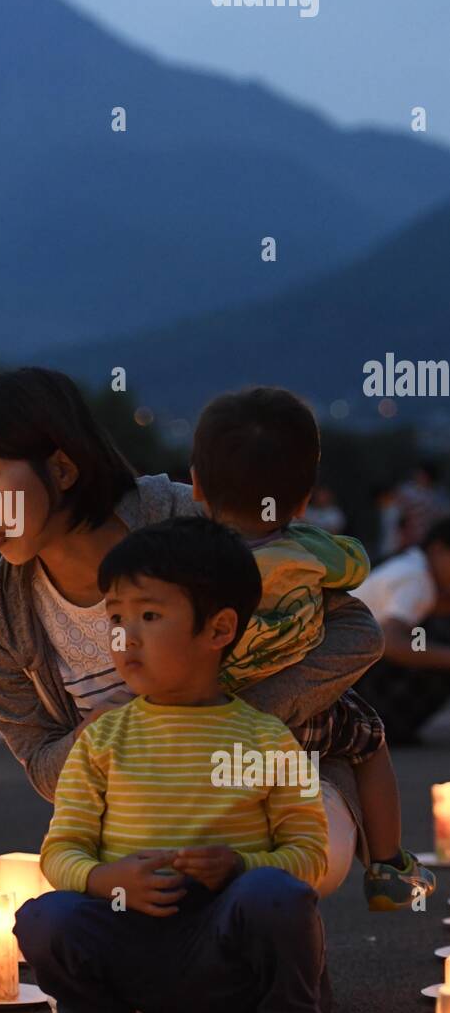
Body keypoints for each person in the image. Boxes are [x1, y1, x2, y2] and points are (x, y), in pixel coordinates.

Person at [0, 368, 384, 895]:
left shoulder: (190, 517)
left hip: (265, 792)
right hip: (140, 814)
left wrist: (242, 722)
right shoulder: (0, 614)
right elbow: (39, 761)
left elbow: (357, 631)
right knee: (56, 918)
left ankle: (273, 940)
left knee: (293, 865)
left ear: (60, 468)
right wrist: (100, 737)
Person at [16, 517, 331, 1013]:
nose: (125, 637)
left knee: (274, 895)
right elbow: (62, 850)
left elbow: (309, 856)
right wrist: (107, 880)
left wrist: (241, 866)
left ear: (218, 629)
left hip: (226, 942)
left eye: (149, 616)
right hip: (130, 936)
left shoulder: (265, 739)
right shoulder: (103, 739)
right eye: (114, 618)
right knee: (44, 918)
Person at [190, 387, 434, 910]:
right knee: (369, 742)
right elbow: (357, 568)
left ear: (195, 487)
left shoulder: (188, 555)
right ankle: (388, 865)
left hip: (212, 709)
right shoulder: (309, 548)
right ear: (303, 499)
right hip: (308, 712)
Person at [350, 516, 450, 744]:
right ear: (438, 550)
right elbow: (389, 641)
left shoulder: (411, 567)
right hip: (350, 683)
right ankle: (384, 727)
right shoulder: (416, 579)